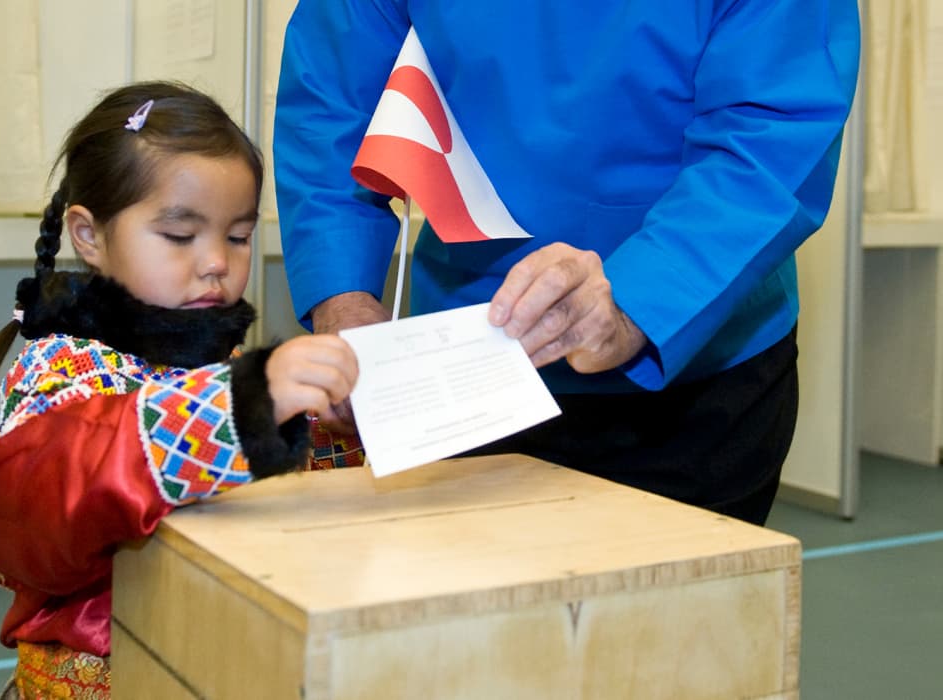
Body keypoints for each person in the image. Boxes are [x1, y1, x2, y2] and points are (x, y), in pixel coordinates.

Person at [273, 2, 860, 526]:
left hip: (697, 369)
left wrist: (639, 299)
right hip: (466, 363)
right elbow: (331, 102)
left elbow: (770, 132)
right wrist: (343, 296)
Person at [0, 81, 358, 699]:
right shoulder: (65, 367)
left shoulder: (222, 362)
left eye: (239, 235)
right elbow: (30, 522)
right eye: (179, 236)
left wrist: (339, 424)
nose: (217, 262)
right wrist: (243, 406)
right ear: (89, 236)